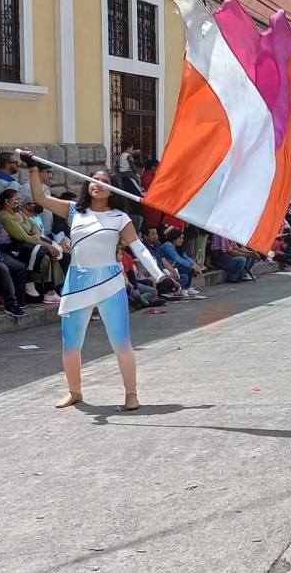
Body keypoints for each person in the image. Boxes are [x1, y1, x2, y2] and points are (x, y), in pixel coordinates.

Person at [22, 152, 176, 409]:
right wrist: (33, 170)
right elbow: (39, 198)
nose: (97, 184)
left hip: (110, 282)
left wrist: (159, 275)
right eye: (94, 180)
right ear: (87, 184)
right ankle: (74, 392)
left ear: (111, 190)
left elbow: (138, 248)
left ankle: (131, 393)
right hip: (77, 282)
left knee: (121, 343)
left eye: (103, 181)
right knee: (71, 344)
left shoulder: (119, 217)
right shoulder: (74, 211)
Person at [0, 188, 65, 304]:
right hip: (19, 248)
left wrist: (37, 233)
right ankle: (45, 288)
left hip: (33, 243)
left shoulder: (19, 213)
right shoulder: (5, 216)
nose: (20, 202)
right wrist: (46, 245)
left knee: (55, 254)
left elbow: (34, 225)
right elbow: (22, 236)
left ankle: (54, 288)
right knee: (45, 257)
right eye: (17, 199)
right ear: (7, 202)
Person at [162, 227, 204, 298]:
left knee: (190, 267)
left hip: (174, 267)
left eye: (182, 238)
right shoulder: (167, 246)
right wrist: (192, 266)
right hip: (166, 269)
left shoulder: (178, 247)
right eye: (180, 238)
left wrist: (196, 266)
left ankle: (187, 287)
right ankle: (180, 288)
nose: (182, 240)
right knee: (186, 273)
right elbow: (178, 259)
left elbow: (186, 257)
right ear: (174, 238)